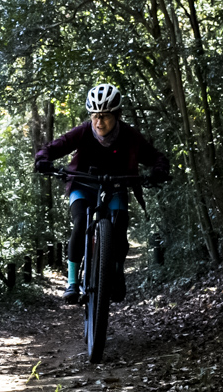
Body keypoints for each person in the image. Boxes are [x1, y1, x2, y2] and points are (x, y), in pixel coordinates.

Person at [34, 83, 170, 303]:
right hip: (83, 185)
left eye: (105, 116)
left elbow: (155, 156)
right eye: (95, 116)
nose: (99, 122)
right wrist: (43, 160)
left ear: (116, 115)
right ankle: (72, 282)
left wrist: (159, 170)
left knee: (119, 227)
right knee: (80, 224)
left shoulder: (129, 136)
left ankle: (116, 272)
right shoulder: (84, 132)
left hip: (115, 187)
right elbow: (55, 147)